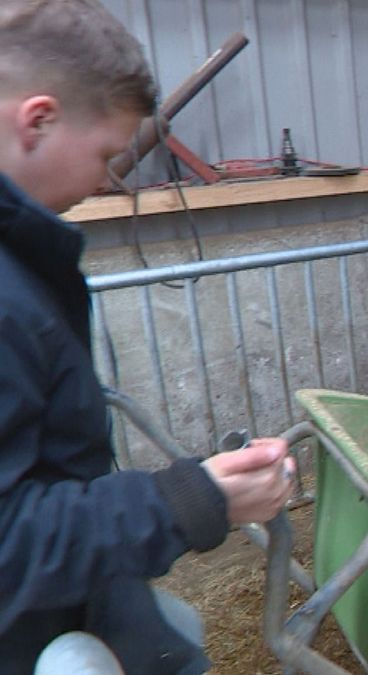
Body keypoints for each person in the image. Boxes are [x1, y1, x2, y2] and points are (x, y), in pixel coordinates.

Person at [0, 2, 295, 673]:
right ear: (38, 120)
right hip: (26, 629)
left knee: (176, 629)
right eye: (107, 153)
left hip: (57, 602)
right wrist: (194, 499)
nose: (110, 177)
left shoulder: (20, 259)